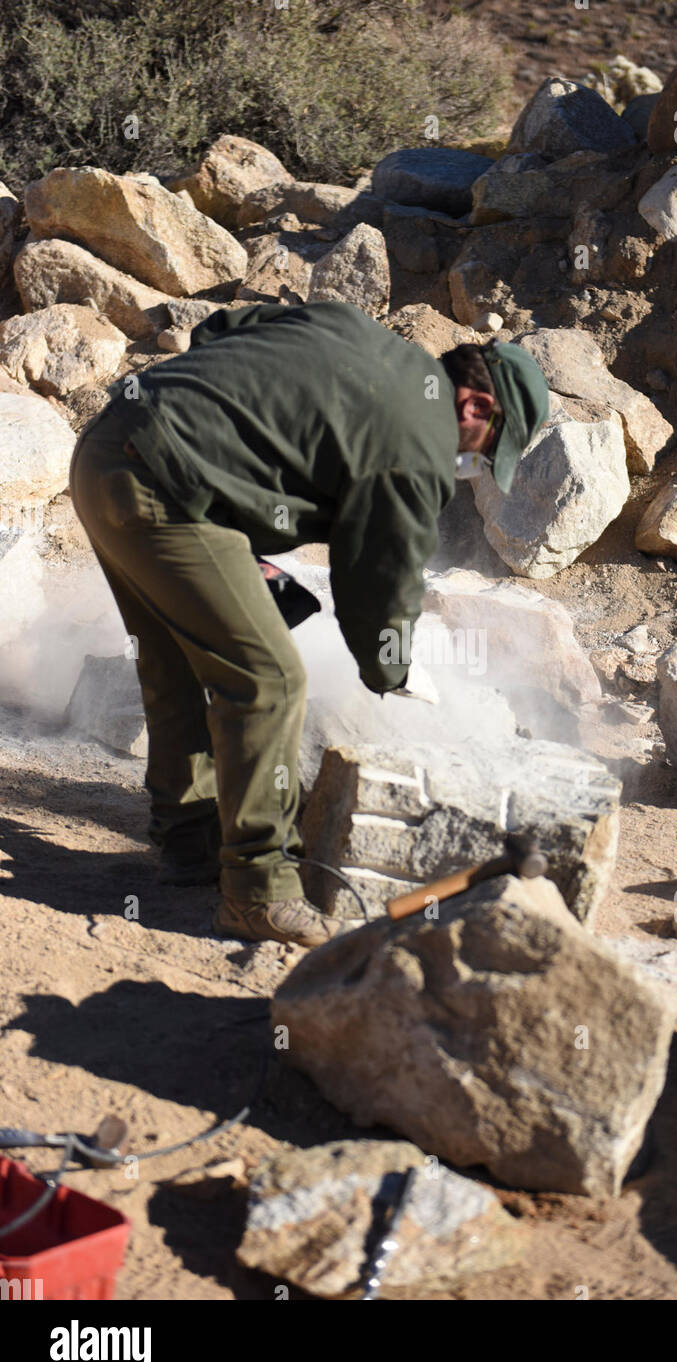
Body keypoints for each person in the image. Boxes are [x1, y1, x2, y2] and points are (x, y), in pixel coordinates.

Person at [69, 301, 549, 948]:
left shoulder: (352, 330)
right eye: (487, 451)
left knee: (177, 657)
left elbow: (221, 332)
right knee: (268, 679)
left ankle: (189, 845)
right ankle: (258, 891)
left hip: (107, 452)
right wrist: (393, 669)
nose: (473, 466)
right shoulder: (422, 442)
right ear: (475, 408)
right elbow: (377, 577)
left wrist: (228, 450)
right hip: (165, 487)